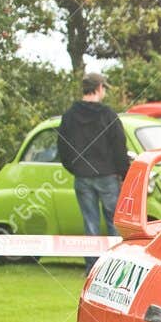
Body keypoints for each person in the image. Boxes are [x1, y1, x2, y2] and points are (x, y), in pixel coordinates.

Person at [57, 72, 129, 266]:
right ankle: (115, 265)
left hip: (82, 176)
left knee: (90, 223)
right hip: (107, 176)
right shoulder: (108, 115)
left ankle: (92, 266)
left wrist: (74, 168)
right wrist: (124, 173)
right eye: (104, 88)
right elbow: (119, 146)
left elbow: (62, 147)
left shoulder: (69, 116)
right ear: (98, 88)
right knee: (114, 222)